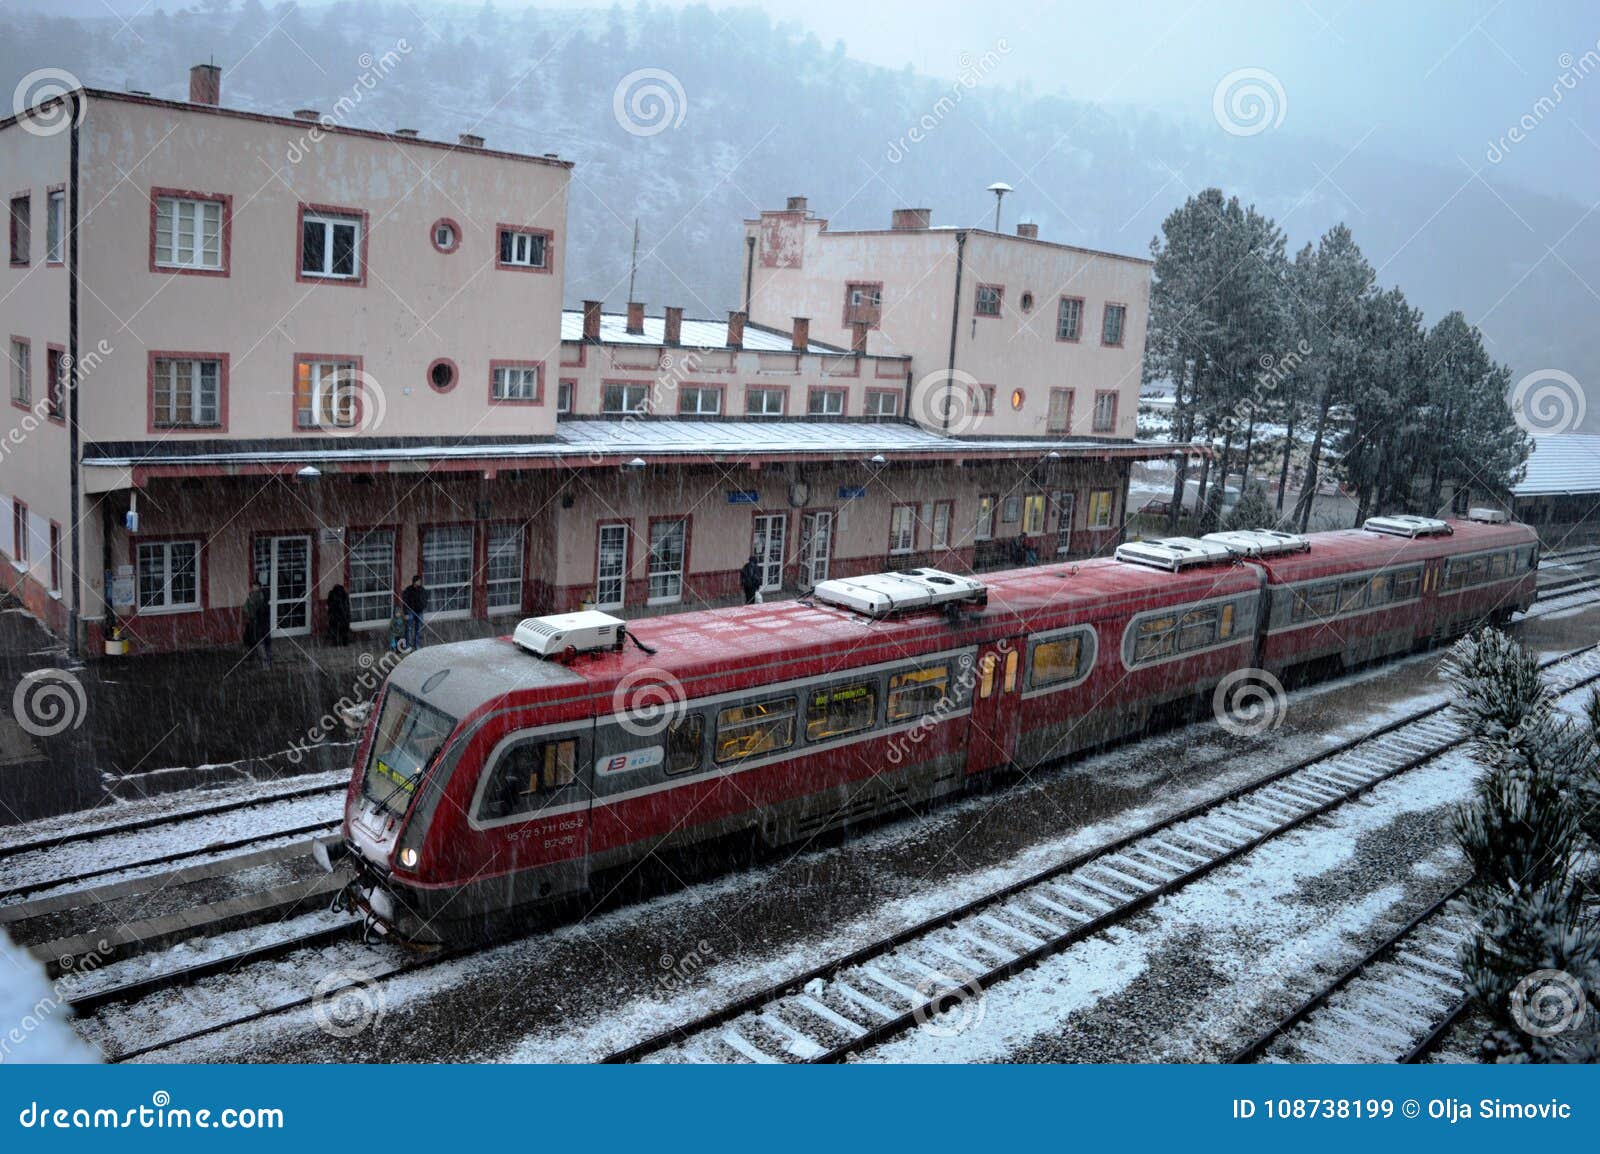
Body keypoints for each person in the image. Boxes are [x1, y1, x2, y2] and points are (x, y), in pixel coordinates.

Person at [243, 579, 271, 665]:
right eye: (253, 586)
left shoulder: (261, 597)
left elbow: (256, 610)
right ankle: (253, 657)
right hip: (253, 622)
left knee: (259, 641)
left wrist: (253, 614)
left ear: (259, 587)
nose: (253, 588)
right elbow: (246, 608)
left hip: (259, 623)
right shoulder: (252, 596)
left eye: (255, 586)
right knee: (251, 640)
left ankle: (265, 660)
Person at [400, 574, 426, 650]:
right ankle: (407, 645)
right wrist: (406, 613)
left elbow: (425, 598)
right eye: (418, 581)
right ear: (414, 582)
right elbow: (404, 602)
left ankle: (416, 644)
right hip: (410, 611)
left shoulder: (422, 590)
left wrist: (423, 606)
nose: (420, 582)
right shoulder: (408, 590)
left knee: (418, 629)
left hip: (419, 611)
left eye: (420, 581)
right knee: (408, 629)